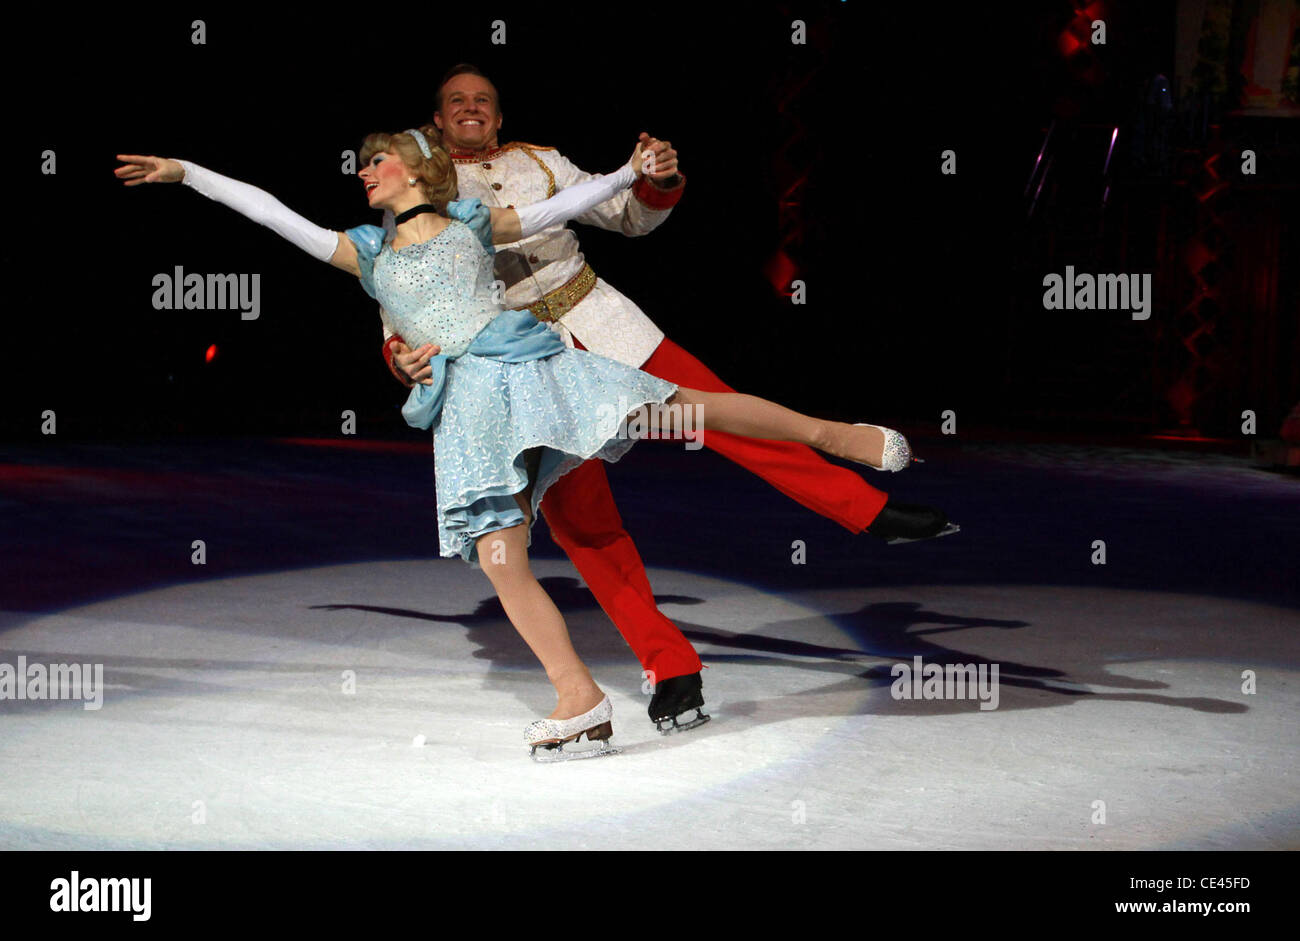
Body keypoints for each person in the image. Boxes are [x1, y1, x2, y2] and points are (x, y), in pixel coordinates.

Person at [114, 125, 950, 760]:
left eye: (375, 159)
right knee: (499, 555)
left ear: (413, 167)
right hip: (473, 413)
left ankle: (843, 436)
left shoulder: (474, 220)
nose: (362, 172)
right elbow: (271, 214)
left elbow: (558, 209)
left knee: (693, 406)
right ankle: (578, 696)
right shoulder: (363, 253)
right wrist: (188, 174)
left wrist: (628, 173)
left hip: (539, 372)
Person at [379, 65, 956, 734]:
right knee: (587, 526)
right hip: (528, 377)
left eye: (482, 100)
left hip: (605, 327)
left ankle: (869, 508)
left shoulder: (541, 162)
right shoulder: (419, 194)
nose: (470, 108)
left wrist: (654, 178)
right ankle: (670, 664)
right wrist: (402, 357)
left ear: (500, 117)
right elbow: (401, 302)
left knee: (725, 416)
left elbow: (626, 216)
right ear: (438, 118)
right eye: (456, 102)